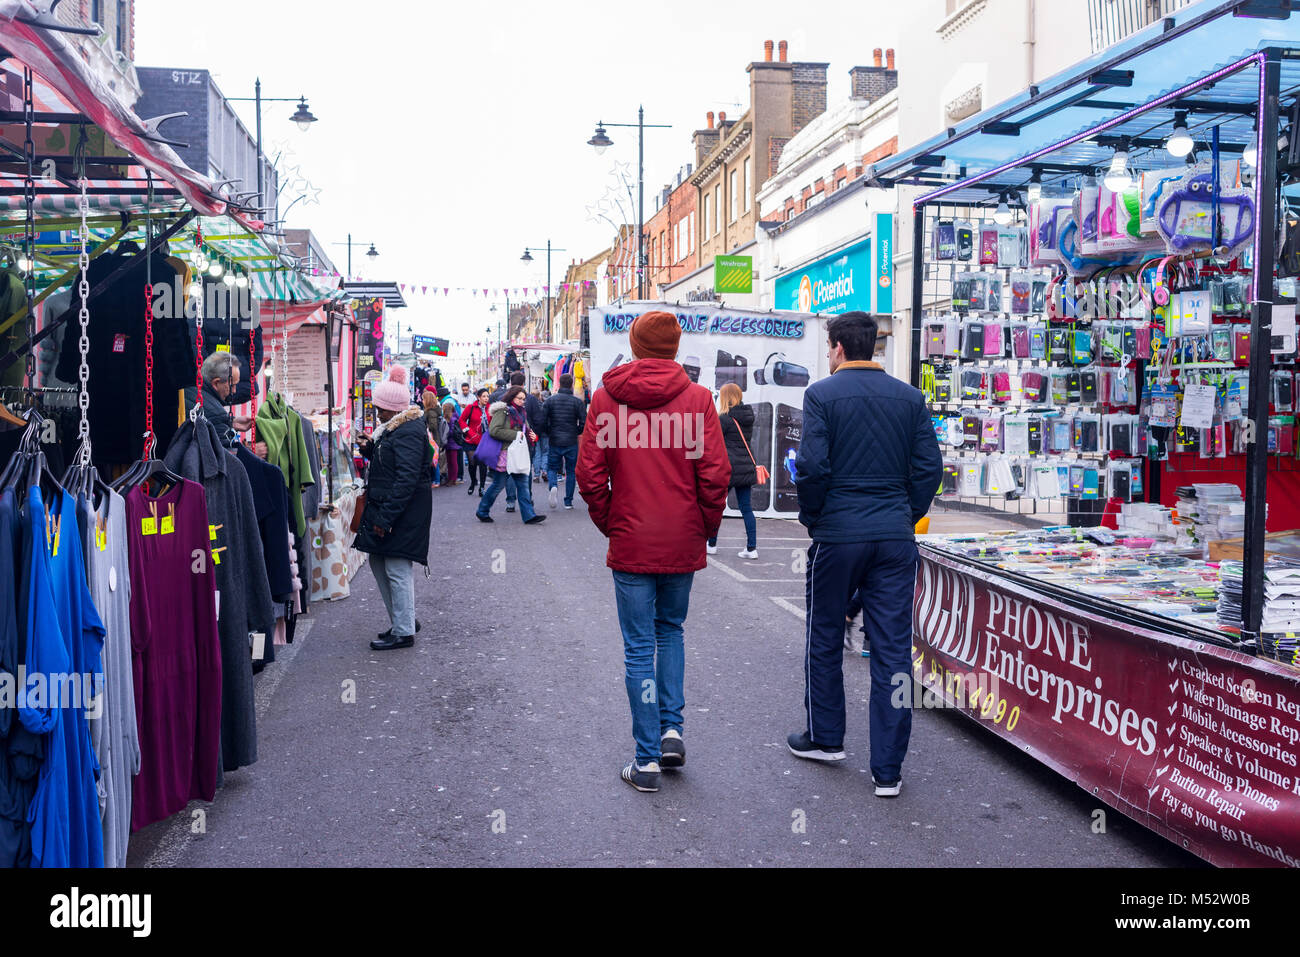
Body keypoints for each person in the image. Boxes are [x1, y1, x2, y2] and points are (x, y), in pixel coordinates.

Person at [786, 312, 942, 798]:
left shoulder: (821, 395)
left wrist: (815, 517)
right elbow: (929, 469)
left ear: (836, 347)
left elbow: (812, 467)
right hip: (894, 536)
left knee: (825, 634)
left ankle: (826, 738)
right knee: (893, 648)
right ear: (872, 346)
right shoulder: (910, 398)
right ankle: (888, 770)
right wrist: (904, 512)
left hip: (839, 534)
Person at [577, 311, 730, 793]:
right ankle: (670, 730)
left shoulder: (606, 398)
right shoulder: (698, 399)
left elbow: (588, 475)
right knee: (672, 632)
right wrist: (703, 526)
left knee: (639, 647)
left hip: (632, 540)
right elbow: (715, 475)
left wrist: (611, 522)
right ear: (675, 346)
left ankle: (645, 760)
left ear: (636, 344)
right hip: (681, 537)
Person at [354, 364, 433, 652]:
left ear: (394, 409)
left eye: (380, 409)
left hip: (403, 512)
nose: (377, 414)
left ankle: (404, 631)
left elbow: (406, 478)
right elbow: (393, 465)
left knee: (397, 566)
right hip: (393, 508)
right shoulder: (395, 428)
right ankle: (404, 620)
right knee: (379, 561)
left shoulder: (407, 430)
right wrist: (370, 450)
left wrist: (386, 518)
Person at [476, 386, 545, 525]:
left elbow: (525, 429)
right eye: (519, 398)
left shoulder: (521, 412)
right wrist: (515, 435)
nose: (522, 401)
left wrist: (532, 435)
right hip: (505, 455)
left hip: (517, 454)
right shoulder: (503, 411)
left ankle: (529, 516)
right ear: (512, 397)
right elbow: (494, 430)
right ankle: (482, 511)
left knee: (523, 485)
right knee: (498, 485)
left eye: (524, 399)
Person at [706, 382, 760, 559]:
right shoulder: (748, 416)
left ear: (725, 397)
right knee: (746, 508)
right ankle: (752, 549)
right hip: (746, 468)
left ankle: (712, 544)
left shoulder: (724, 419)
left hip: (729, 469)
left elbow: (715, 443)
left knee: (717, 506)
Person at [541, 373, 585, 509]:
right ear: (571, 384)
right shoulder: (577, 402)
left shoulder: (550, 401)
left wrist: (549, 431)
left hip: (555, 439)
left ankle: (553, 485)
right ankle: (568, 501)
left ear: (559, 383)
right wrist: (576, 431)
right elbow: (584, 421)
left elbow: (543, 420)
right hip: (571, 440)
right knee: (571, 471)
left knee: (552, 467)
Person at [199, 352, 254, 440]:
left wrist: (231, 422)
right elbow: (226, 450)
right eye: (232, 385)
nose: (234, 391)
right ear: (216, 383)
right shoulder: (216, 412)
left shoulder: (190, 390)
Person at [459, 388, 492, 496]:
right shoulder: (471, 407)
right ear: (478, 397)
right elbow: (462, 420)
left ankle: (482, 487)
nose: (486, 398)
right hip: (471, 439)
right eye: (484, 396)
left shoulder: (490, 409)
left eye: (487, 396)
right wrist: (469, 432)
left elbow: (493, 423)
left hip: (484, 440)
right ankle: (473, 482)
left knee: (483, 464)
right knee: (472, 464)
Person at [422, 389, 447, 486]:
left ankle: (436, 481)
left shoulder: (431, 412)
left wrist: (426, 426)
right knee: (434, 460)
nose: (422, 401)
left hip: (434, 439)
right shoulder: (433, 410)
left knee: (434, 461)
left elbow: (433, 426)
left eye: (423, 399)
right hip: (434, 438)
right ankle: (435, 480)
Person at [525, 386, 547, 484]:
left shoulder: (528, 404)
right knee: (545, 452)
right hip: (545, 431)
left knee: (537, 453)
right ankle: (545, 471)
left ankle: (536, 474)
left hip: (534, 431)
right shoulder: (544, 404)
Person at [441, 402, 462, 487]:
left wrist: (444, 434)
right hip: (449, 443)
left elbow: (451, 431)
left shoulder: (452, 419)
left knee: (453, 462)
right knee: (449, 462)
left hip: (452, 443)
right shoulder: (451, 417)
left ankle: (453, 479)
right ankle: (450, 478)